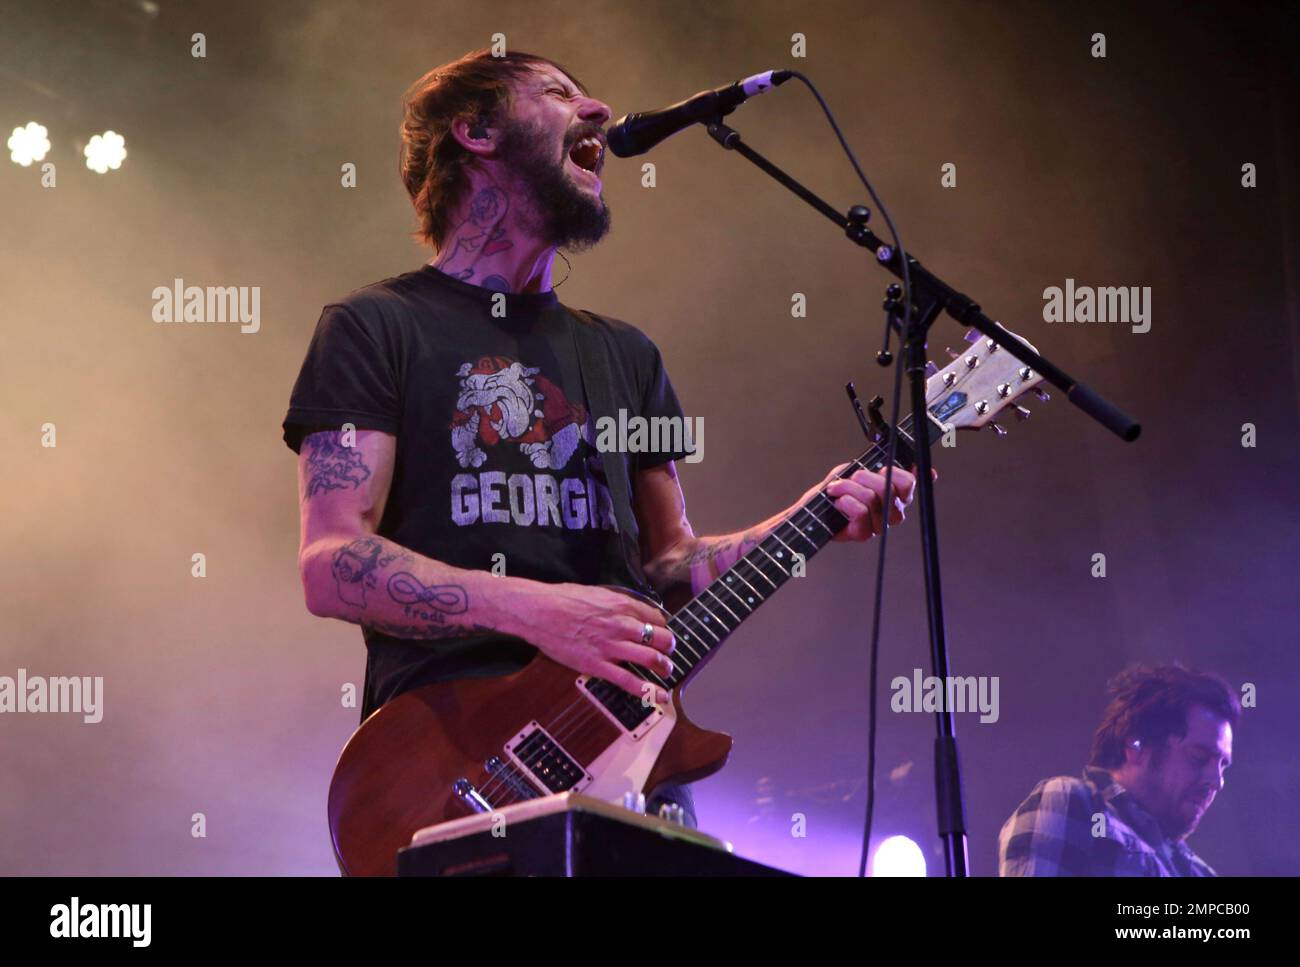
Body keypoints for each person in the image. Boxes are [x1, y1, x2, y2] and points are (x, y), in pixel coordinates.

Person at [282, 48, 918, 828]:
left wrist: (810, 516)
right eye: (557, 93)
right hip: (453, 766)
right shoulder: (375, 327)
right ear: (477, 131)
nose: (599, 111)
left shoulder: (627, 354)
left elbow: (669, 566)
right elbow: (333, 563)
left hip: (633, 770)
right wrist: (539, 612)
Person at [998, 663, 1238, 876]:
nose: (1216, 781)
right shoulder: (1072, 804)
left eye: (1222, 766)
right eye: (1198, 757)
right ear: (1136, 746)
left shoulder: (1198, 871)